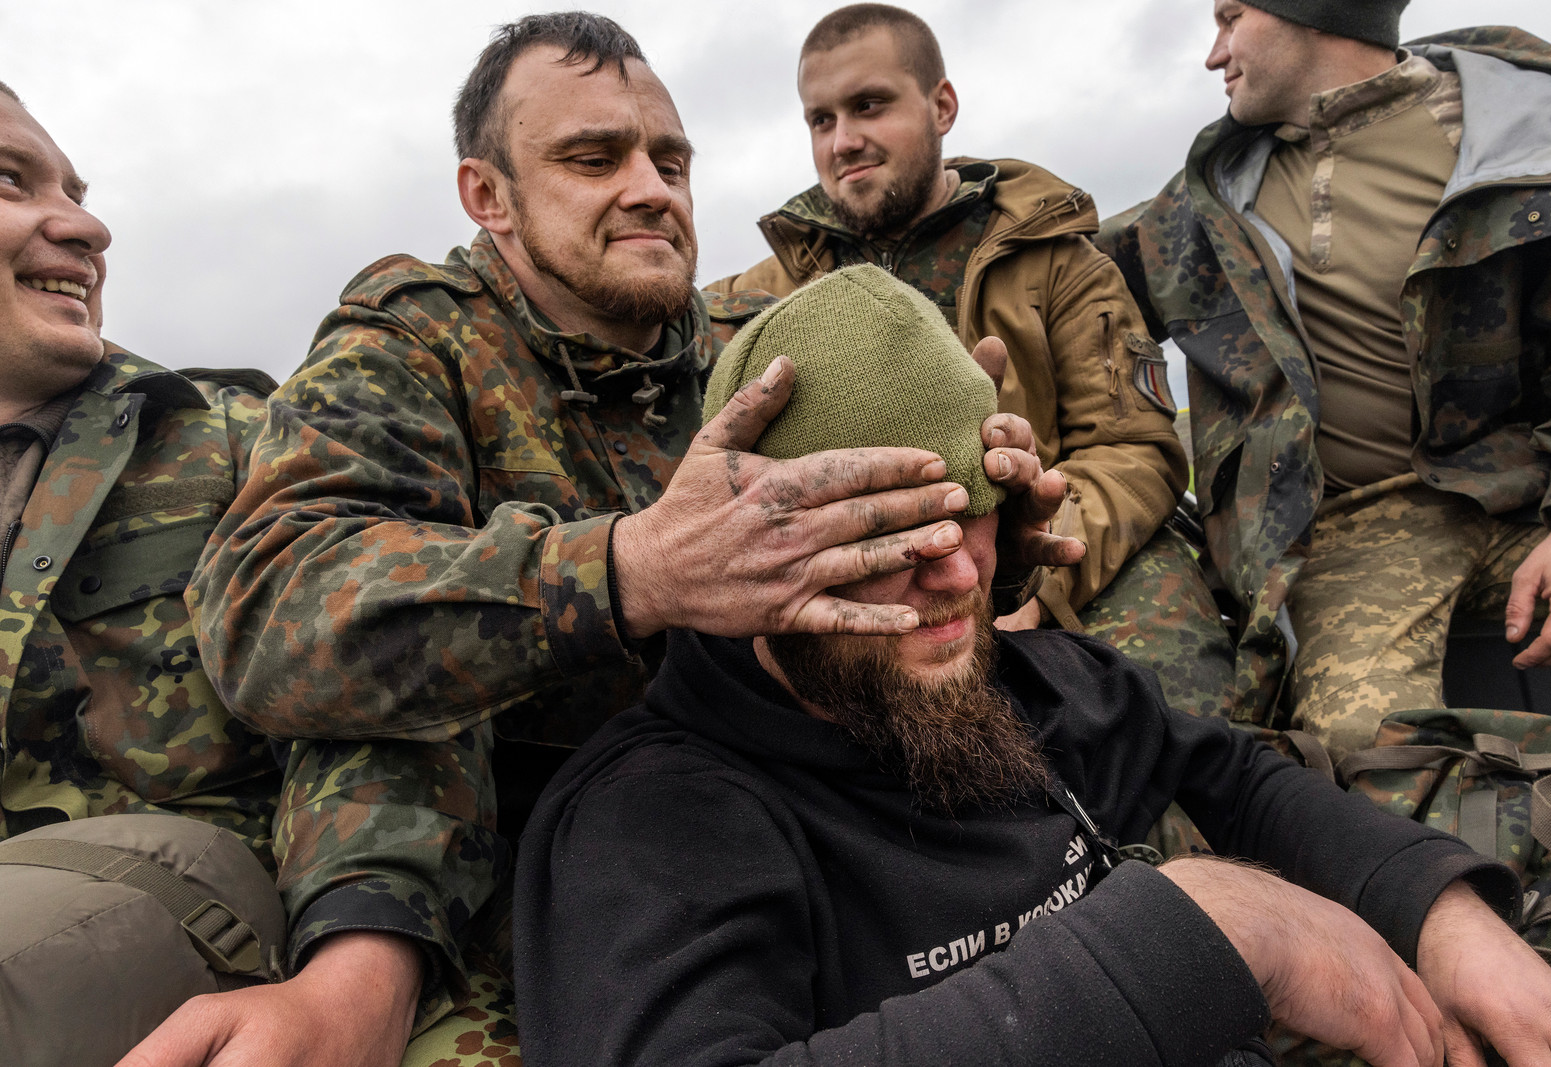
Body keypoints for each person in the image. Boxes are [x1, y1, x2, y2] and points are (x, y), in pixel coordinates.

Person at [184, 13, 1075, 1066]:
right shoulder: (413, 344)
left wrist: (983, 528)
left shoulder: (757, 355)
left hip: (793, 819)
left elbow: (859, 602)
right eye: (593, 159)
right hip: (508, 875)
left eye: (671, 160)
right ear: (487, 195)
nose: (651, 189)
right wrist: (625, 572)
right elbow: (268, 609)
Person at [515, 264, 1551, 1067]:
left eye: (972, 509)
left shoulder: (1029, 680)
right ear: (756, 546)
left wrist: (1439, 914)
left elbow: (1230, 773)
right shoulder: (660, 819)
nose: (954, 573)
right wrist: (1208, 929)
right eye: (885, 531)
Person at [1097, 0, 1551, 758]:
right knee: (1359, 744)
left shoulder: (1531, 143)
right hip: (1363, 523)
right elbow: (1054, 270)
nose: (1213, 54)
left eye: (1231, 18)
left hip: (1537, 487)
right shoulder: (1206, 205)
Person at [705, 4, 1220, 711]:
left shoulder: (1054, 260)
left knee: (1169, 703)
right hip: (867, 582)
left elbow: (1132, 448)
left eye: (869, 106)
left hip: (1065, 552)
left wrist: (1030, 566)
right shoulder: (763, 299)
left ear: (941, 106)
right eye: (821, 121)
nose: (844, 141)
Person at [0, 82, 305, 1064]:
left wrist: (362, 969)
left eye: (76, 193)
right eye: (10, 182)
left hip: (197, 867)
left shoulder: (236, 436)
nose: (88, 228)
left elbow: (398, 713)